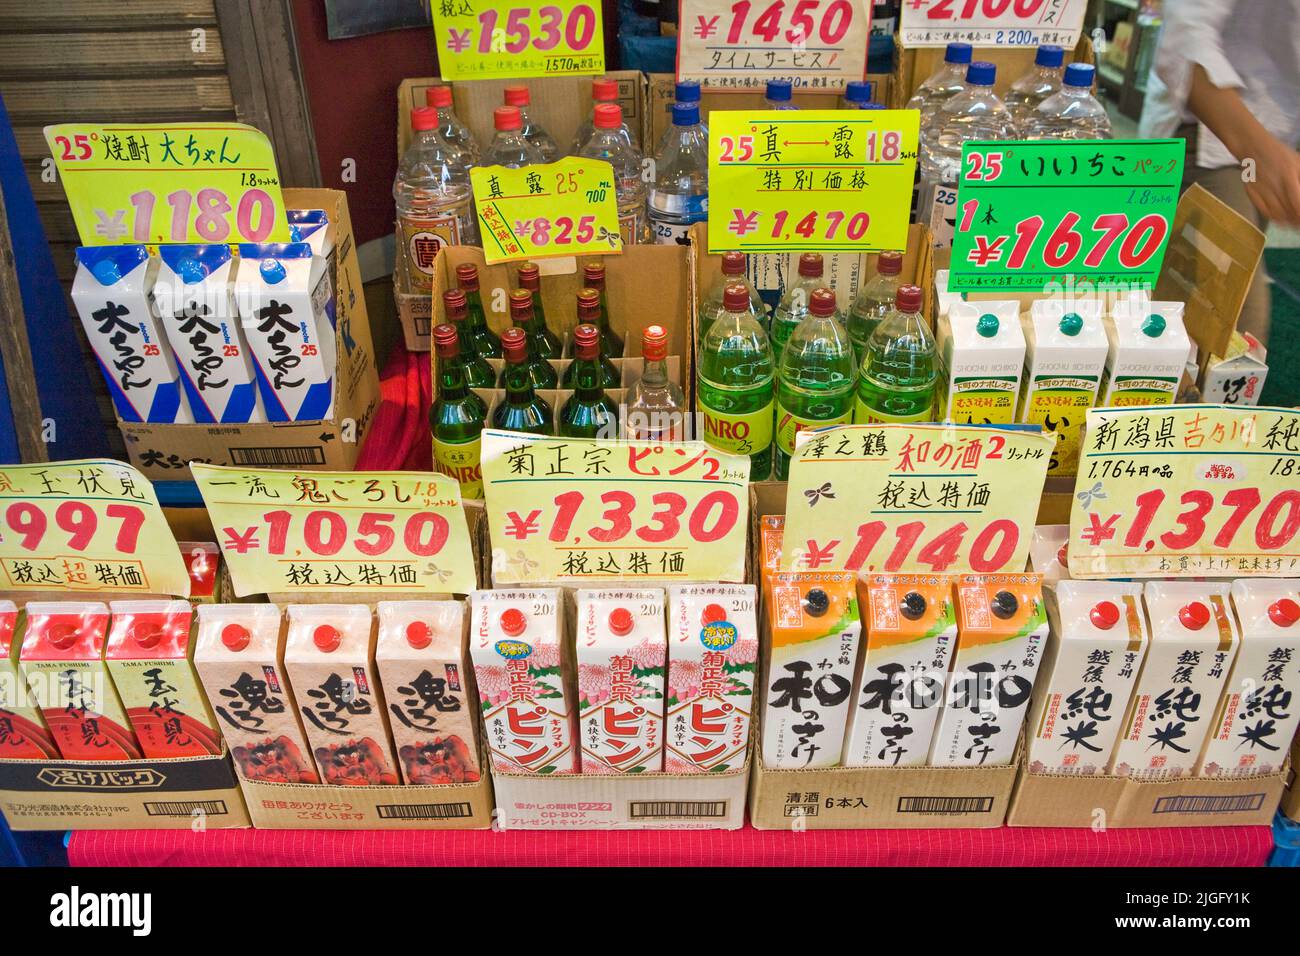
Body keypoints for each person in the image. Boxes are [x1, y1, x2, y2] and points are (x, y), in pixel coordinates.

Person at [1139, 0, 1300, 345]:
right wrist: (1259, 152)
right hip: (1211, 129)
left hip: (1281, 136)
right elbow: (1184, 38)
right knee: (1234, 333)